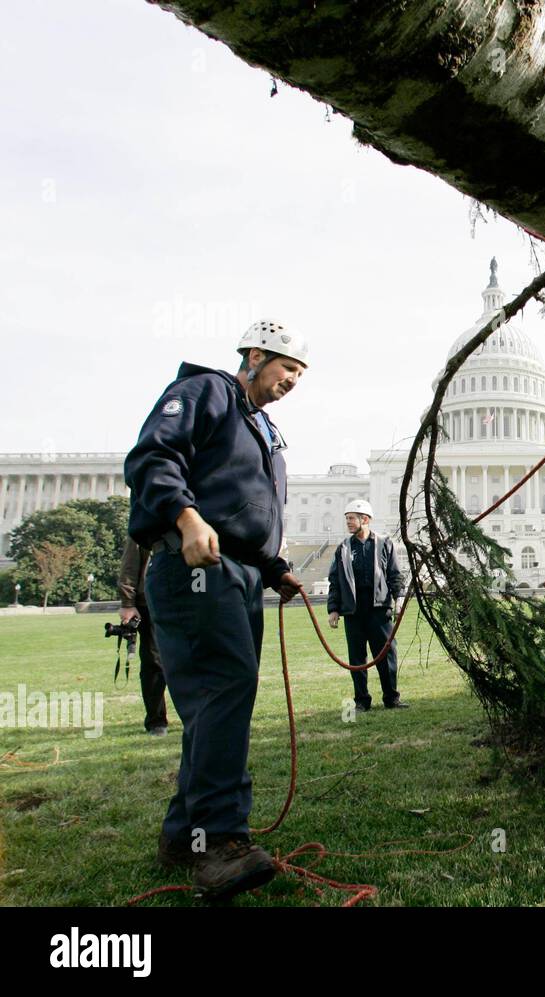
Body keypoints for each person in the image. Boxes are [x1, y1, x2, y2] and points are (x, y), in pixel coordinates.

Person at [125, 320, 307, 902]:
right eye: (286, 369)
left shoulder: (262, 428)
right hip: (197, 566)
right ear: (255, 356)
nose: (291, 383)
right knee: (222, 694)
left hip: (238, 573)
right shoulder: (207, 394)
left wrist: (274, 568)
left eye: (299, 376)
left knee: (217, 702)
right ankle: (220, 842)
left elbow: (243, 510)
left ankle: (185, 836)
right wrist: (185, 516)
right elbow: (152, 457)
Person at [327, 500, 407, 710]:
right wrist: (333, 608)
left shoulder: (384, 543)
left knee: (386, 656)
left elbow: (394, 575)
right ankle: (361, 700)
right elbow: (335, 580)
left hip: (379, 609)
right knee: (357, 657)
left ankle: (391, 698)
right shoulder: (343, 548)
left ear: (365, 519)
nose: (348, 522)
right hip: (353, 611)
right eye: (347, 519)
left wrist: (399, 599)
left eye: (351, 518)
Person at [116, 536, 170, 736]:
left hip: (186, 596)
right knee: (154, 662)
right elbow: (131, 558)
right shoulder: (147, 514)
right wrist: (127, 602)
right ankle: (156, 721)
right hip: (150, 600)